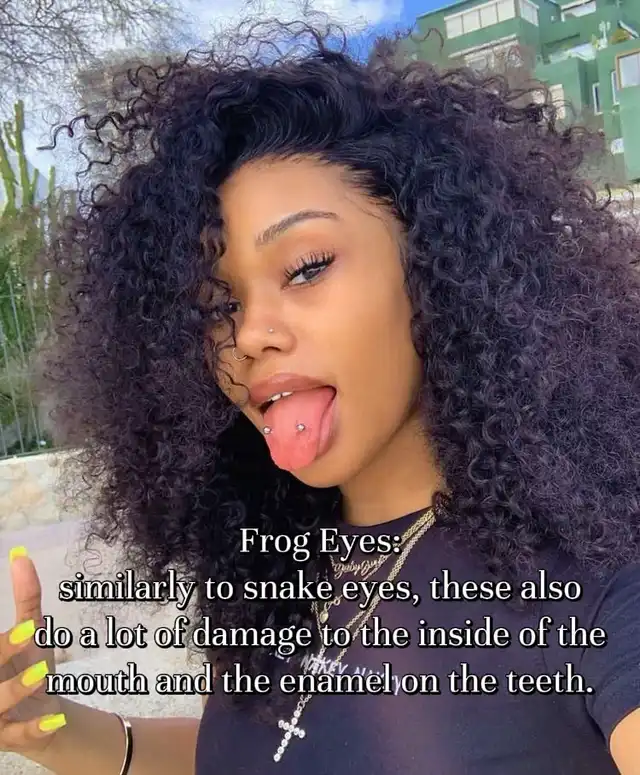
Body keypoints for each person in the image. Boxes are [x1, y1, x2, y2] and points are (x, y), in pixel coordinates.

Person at [1, 18, 640, 775]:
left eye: (305, 267)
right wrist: (54, 729)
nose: (249, 334)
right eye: (218, 305)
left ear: (440, 264)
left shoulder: (601, 575)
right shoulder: (276, 567)